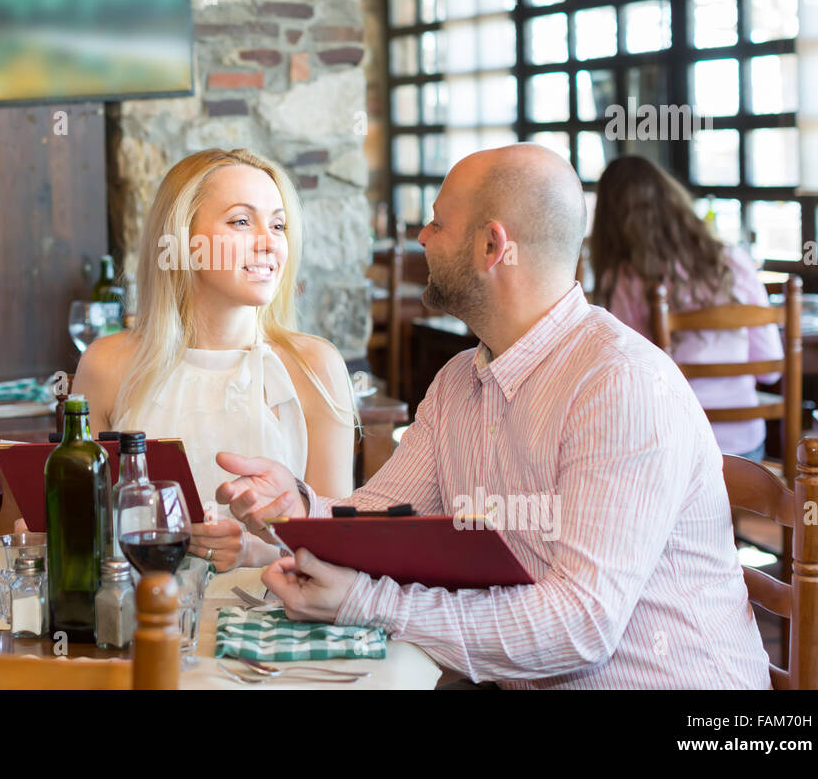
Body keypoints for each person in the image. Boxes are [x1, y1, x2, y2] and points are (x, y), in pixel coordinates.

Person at [215, 143, 770, 688]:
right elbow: (383, 520)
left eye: (437, 224)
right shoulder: (461, 378)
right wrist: (299, 505)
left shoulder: (619, 382)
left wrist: (367, 603)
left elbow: (580, 627)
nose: (421, 237)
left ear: (490, 245)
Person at [72, 148, 356, 571]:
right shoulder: (106, 363)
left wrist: (251, 551)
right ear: (182, 239)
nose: (268, 242)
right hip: (143, 616)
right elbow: (84, 519)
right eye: (242, 221)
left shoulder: (317, 366)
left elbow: (339, 542)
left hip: (275, 623)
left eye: (278, 225)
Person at [589, 155, 783, 461]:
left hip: (676, 451)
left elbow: (628, 382)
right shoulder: (733, 261)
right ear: (673, 199)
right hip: (747, 449)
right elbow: (771, 367)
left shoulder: (623, 280)